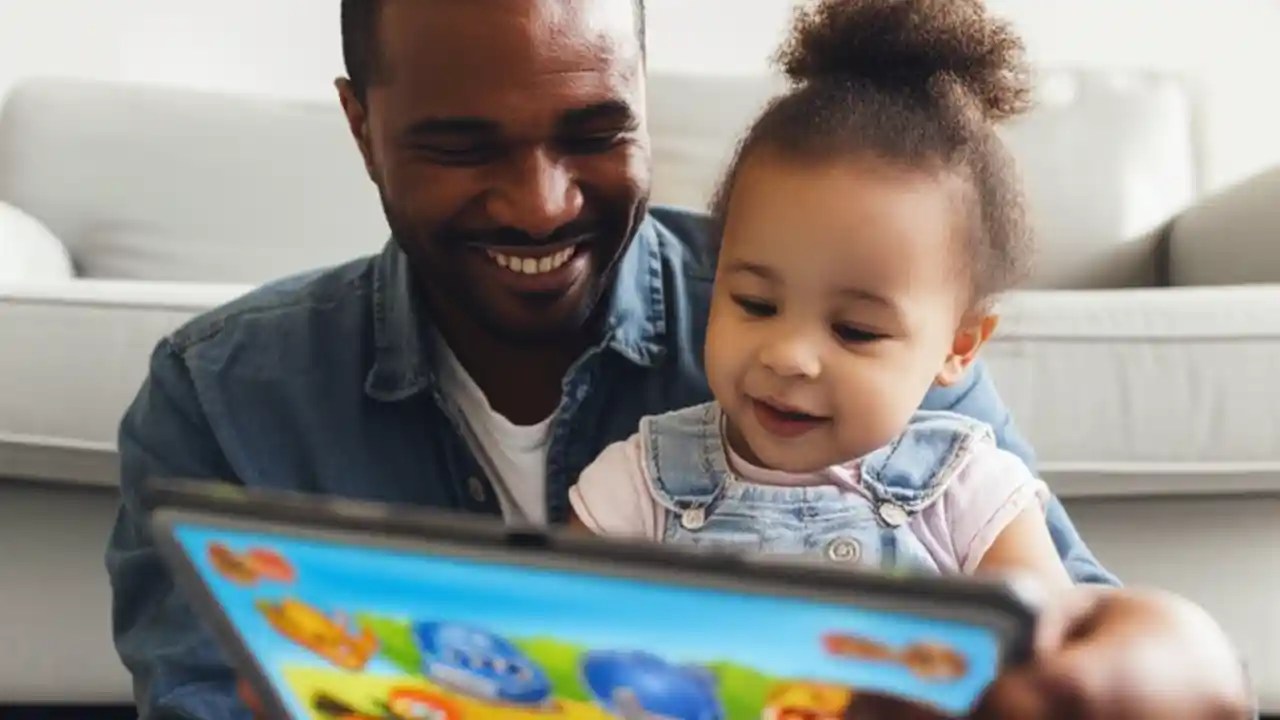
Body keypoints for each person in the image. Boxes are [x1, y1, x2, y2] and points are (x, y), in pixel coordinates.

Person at [104, 0, 1251, 718]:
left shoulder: (872, 315)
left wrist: (1145, 658)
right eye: (461, 148)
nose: (540, 203)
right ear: (361, 128)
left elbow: (1095, 635)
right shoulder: (218, 395)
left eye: (593, 133)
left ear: (646, 101)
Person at [569, 0, 1071, 594]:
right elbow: (550, 637)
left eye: (854, 330)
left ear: (959, 346)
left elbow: (1049, 665)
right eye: (756, 303)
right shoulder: (639, 484)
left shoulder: (972, 495)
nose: (788, 356)